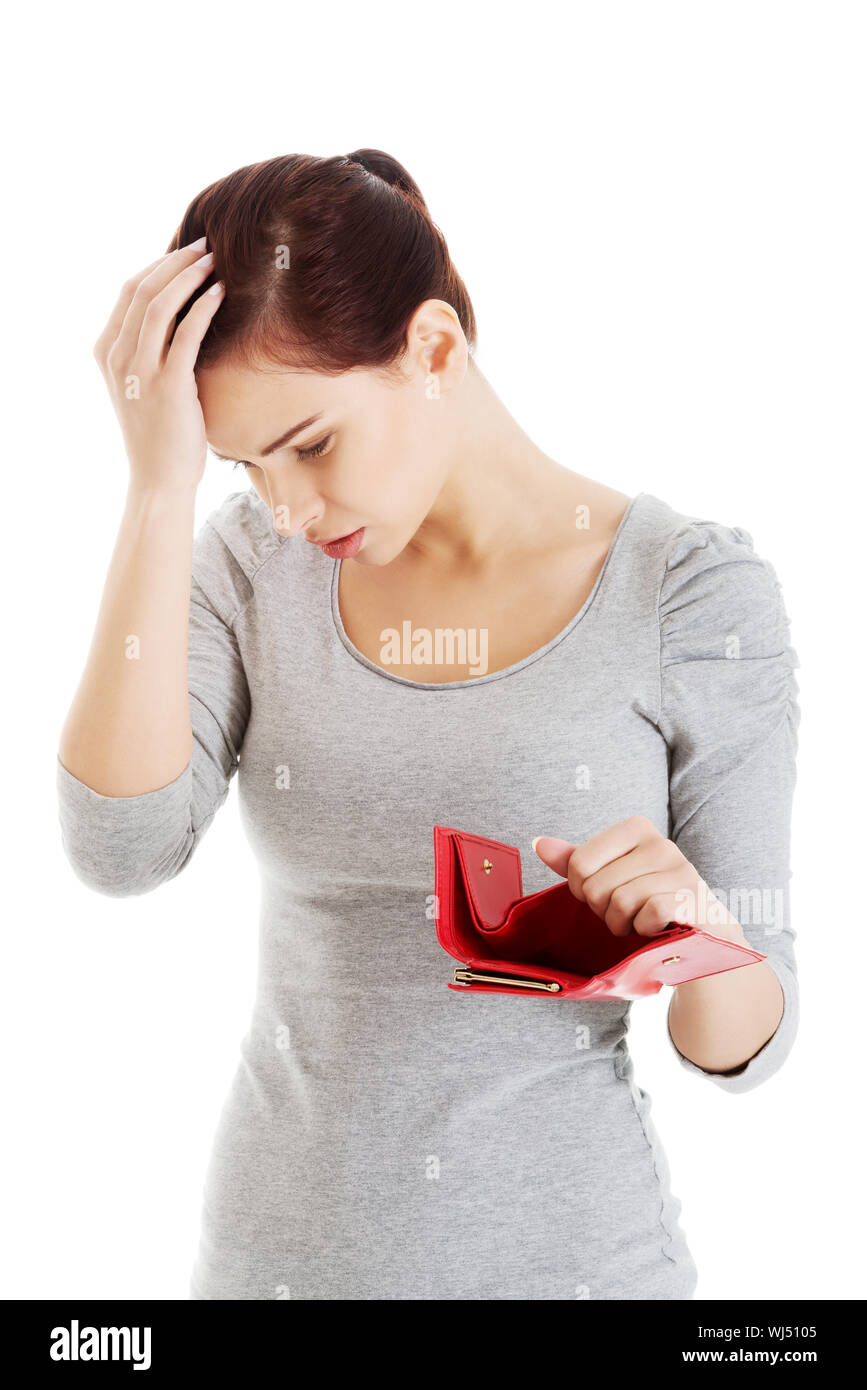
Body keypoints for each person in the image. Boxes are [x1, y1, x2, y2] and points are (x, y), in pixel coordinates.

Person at [56, 149, 800, 1300]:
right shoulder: (251, 569)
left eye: (309, 443)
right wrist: (159, 489)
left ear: (435, 349)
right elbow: (120, 848)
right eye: (243, 465)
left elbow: (745, 1042)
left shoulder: (688, 594)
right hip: (269, 1273)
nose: (289, 508)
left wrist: (696, 930)